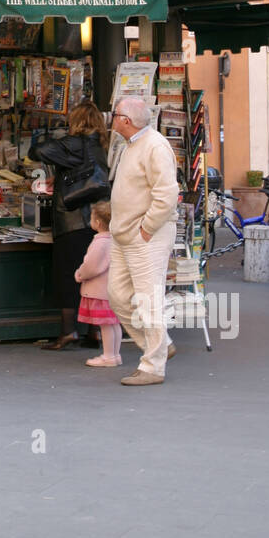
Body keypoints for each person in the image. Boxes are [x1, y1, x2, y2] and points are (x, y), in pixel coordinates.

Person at [107, 96, 180, 386]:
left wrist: (147, 228)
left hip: (143, 235)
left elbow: (167, 193)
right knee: (117, 295)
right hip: (125, 233)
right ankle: (159, 345)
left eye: (114, 114)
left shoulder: (155, 145)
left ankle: (153, 366)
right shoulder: (133, 144)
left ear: (126, 120)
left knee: (149, 300)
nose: (111, 118)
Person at [33, 100, 110, 351]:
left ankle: (68, 331)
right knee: (94, 276)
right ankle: (95, 331)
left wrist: (61, 141)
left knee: (67, 276)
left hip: (73, 220)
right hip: (96, 218)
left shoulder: (75, 143)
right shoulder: (101, 145)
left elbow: (38, 151)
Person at [75, 200, 122, 368]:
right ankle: (115, 354)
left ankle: (108, 356)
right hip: (112, 289)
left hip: (100, 290)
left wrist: (80, 274)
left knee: (106, 324)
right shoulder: (114, 240)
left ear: (98, 222)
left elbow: (92, 266)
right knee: (114, 323)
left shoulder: (100, 243)